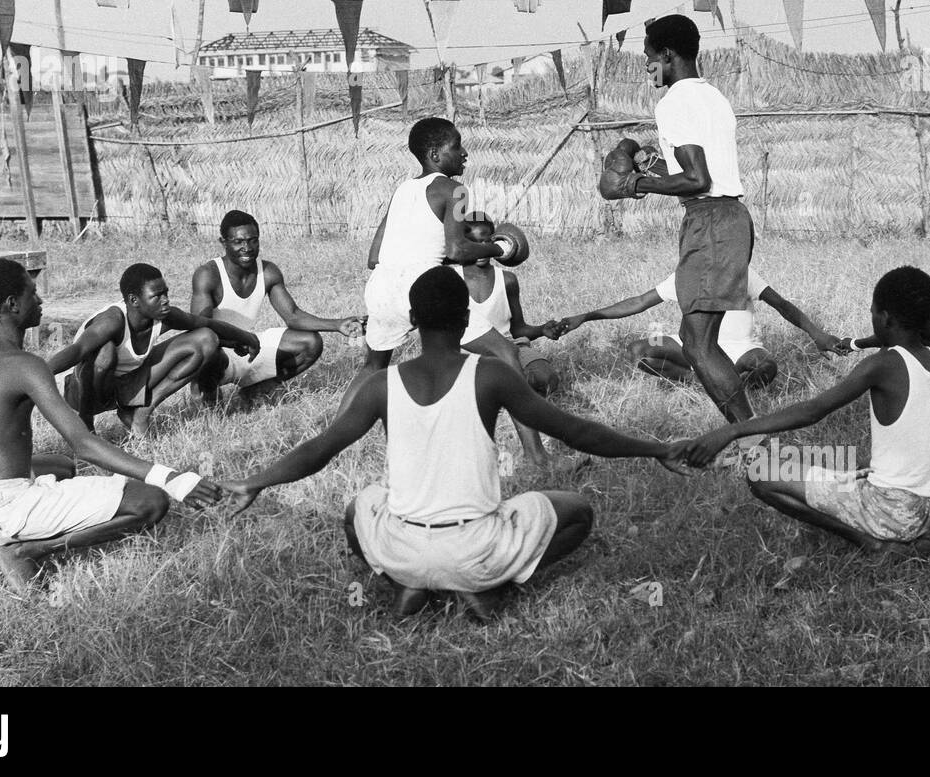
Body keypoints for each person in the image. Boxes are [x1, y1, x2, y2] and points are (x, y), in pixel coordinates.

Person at [220, 267, 688, 620]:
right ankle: (487, 588)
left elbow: (319, 450)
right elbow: (577, 432)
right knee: (577, 511)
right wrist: (656, 448)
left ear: (413, 320)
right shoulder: (490, 375)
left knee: (357, 509)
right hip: (478, 550)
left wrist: (257, 481)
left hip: (400, 547)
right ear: (466, 319)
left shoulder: (383, 384)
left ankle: (406, 583)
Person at [682, 266, 930, 550]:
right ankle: (892, 526)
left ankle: (869, 543)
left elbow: (813, 411)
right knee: (844, 471)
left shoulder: (883, 364)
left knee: (761, 474)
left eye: (872, 310)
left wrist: (733, 429)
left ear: (885, 318)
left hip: (895, 514)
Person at [0, 258, 223, 592]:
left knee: (63, 467)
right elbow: (83, 444)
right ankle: (26, 551)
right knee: (151, 501)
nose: (39, 301)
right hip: (4, 508)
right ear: (12, 305)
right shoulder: (24, 364)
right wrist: (173, 478)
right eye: (32, 294)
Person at [340, 117, 553, 467]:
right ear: (437, 154)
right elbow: (456, 250)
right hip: (424, 286)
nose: (465, 153)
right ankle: (538, 456)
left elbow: (373, 256)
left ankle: (331, 446)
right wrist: (500, 248)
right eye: (458, 146)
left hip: (381, 287)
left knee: (373, 366)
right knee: (506, 355)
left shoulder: (400, 192)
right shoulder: (454, 191)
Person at [600, 14, 755, 435]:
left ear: (667, 54)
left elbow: (697, 179)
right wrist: (656, 165)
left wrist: (636, 182)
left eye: (650, 59)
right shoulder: (714, 97)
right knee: (695, 338)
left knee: (699, 344)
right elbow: (702, 169)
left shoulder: (672, 102)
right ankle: (747, 432)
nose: (648, 68)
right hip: (730, 218)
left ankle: (751, 437)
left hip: (710, 220)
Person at [51, 263, 260, 435]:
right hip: (85, 393)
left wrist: (243, 338)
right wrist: (38, 372)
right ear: (134, 300)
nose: (166, 300)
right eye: (157, 296)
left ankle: (140, 412)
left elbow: (205, 323)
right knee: (105, 352)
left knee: (206, 339)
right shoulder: (112, 320)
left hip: (128, 383)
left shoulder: (162, 315)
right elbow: (77, 352)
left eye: (166, 293)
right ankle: (87, 425)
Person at [553, 263, 842, 386]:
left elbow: (783, 305)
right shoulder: (686, 274)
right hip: (690, 347)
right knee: (639, 350)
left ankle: (720, 381)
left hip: (739, 350)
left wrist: (817, 334)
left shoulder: (741, 272)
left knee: (765, 367)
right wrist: (587, 316)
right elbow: (639, 302)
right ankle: (702, 380)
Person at [190, 209, 364, 405]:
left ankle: (256, 388)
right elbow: (198, 330)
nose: (246, 248)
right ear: (223, 242)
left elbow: (293, 316)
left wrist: (338, 325)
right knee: (207, 348)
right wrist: (234, 341)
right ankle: (206, 394)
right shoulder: (208, 274)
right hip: (221, 350)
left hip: (249, 346)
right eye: (238, 242)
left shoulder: (268, 271)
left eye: (252, 240)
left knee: (311, 342)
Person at [456, 212, 561, 397]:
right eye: (474, 243)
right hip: (467, 352)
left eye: (487, 242)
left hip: (511, 348)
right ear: (463, 245)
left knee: (547, 379)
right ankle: (504, 389)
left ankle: (508, 391)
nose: (483, 249)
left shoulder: (506, 280)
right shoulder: (451, 280)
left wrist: (542, 329)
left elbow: (518, 329)